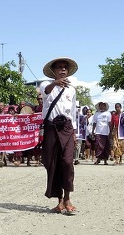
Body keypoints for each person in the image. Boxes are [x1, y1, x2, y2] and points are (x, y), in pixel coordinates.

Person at [40, 57, 78, 215]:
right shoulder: (45, 85)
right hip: (51, 127)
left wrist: (74, 131)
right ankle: (60, 201)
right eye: (59, 67)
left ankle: (68, 198)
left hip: (67, 128)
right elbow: (46, 92)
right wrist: (55, 83)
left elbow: (73, 113)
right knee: (52, 163)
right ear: (53, 71)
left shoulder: (72, 89)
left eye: (65, 67)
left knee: (68, 162)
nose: (63, 70)